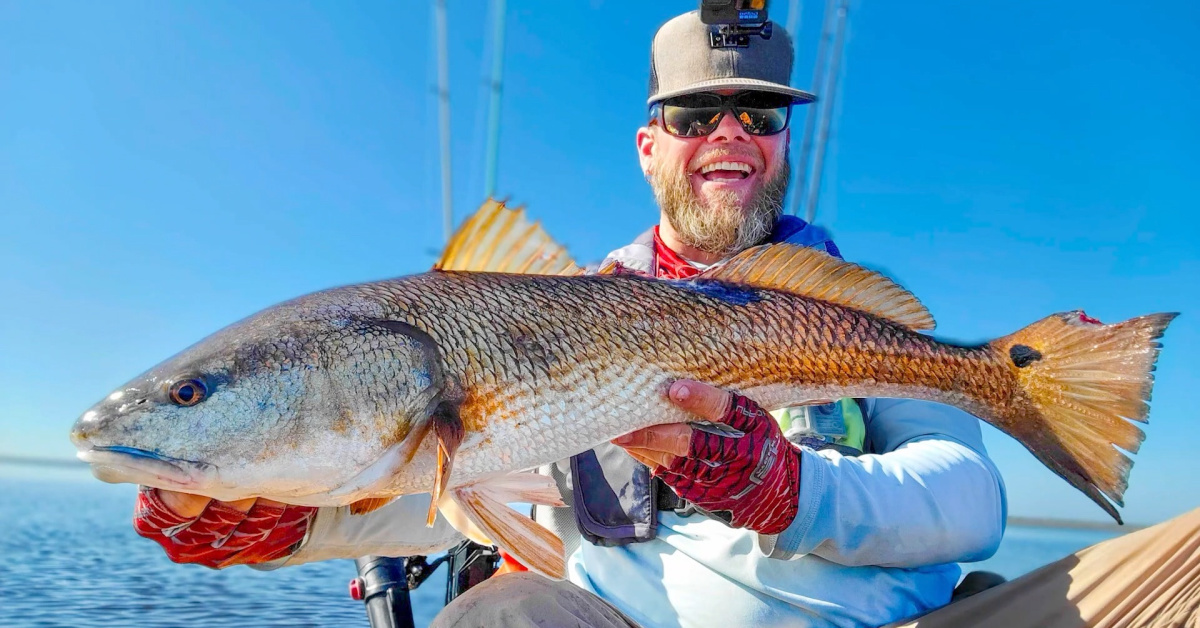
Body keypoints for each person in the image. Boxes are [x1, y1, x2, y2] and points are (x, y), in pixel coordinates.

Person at [133, 11, 1008, 628]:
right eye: (695, 114)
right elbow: (453, 497)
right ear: (649, 145)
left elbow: (970, 506)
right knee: (495, 618)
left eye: (761, 114)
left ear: (782, 142)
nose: (730, 132)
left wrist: (790, 487)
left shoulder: (842, 310)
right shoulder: (553, 317)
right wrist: (262, 507)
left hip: (881, 620)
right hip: (613, 617)